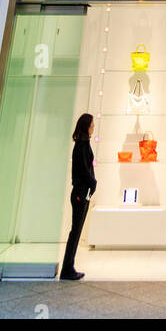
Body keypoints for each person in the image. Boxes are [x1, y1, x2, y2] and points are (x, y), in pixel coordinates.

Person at [60, 113, 97, 281]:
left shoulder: (83, 144)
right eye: (91, 125)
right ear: (86, 126)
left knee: (76, 231)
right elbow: (83, 169)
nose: (93, 127)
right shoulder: (82, 146)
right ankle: (67, 268)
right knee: (75, 232)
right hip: (80, 193)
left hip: (82, 192)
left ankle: (69, 267)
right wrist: (92, 181)